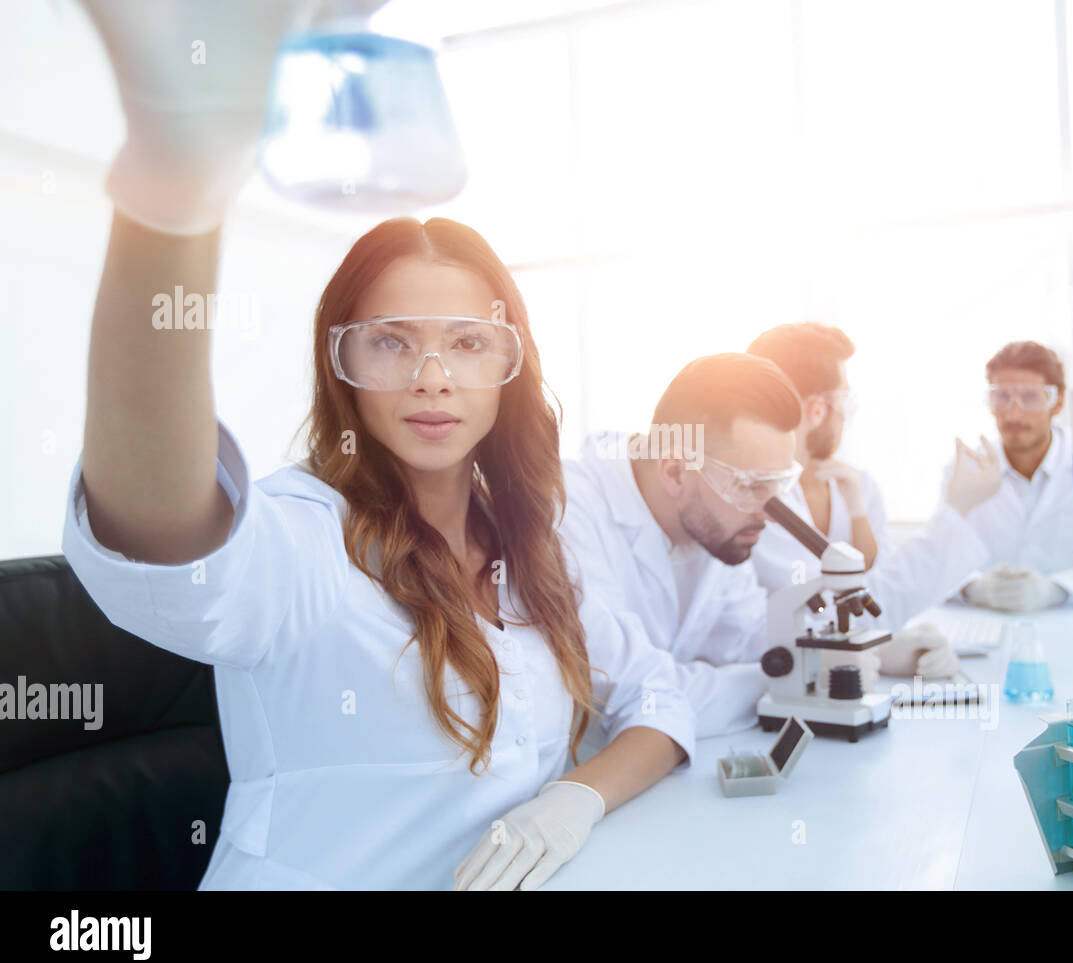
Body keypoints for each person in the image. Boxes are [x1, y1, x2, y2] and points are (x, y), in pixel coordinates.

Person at [61, 0, 694, 891]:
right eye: (392, 341)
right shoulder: (303, 542)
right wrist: (177, 190)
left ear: (510, 365)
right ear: (342, 366)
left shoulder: (532, 547)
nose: (433, 376)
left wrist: (578, 797)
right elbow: (154, 519)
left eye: (468, 343)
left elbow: (660, 701)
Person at [559, 354, 811, 736]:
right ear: (675, 471)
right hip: (585, 770)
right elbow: (632, 689)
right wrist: (789, 679)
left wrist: (828, 654)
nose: (770, 513)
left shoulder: (713, 524)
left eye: (776, 486)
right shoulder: (568, 510)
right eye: (751, 485)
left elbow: (744, 634)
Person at [744, 323, 1002, 677]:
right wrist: (957, 509)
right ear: (815, 409)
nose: (848, 414)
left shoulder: (845, 484)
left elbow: (870, 589)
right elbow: (843, 613)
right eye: (844, 400)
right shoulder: (753, 502)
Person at [955, 340, 1073, 613]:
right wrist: (975, 587)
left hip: (1072, 626)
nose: (1013, 413)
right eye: (1002, 397)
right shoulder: (962, 471)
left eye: (1031, 397)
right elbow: (937, 559)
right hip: (986, 627)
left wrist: (1058, 590)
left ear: (1058, 401)